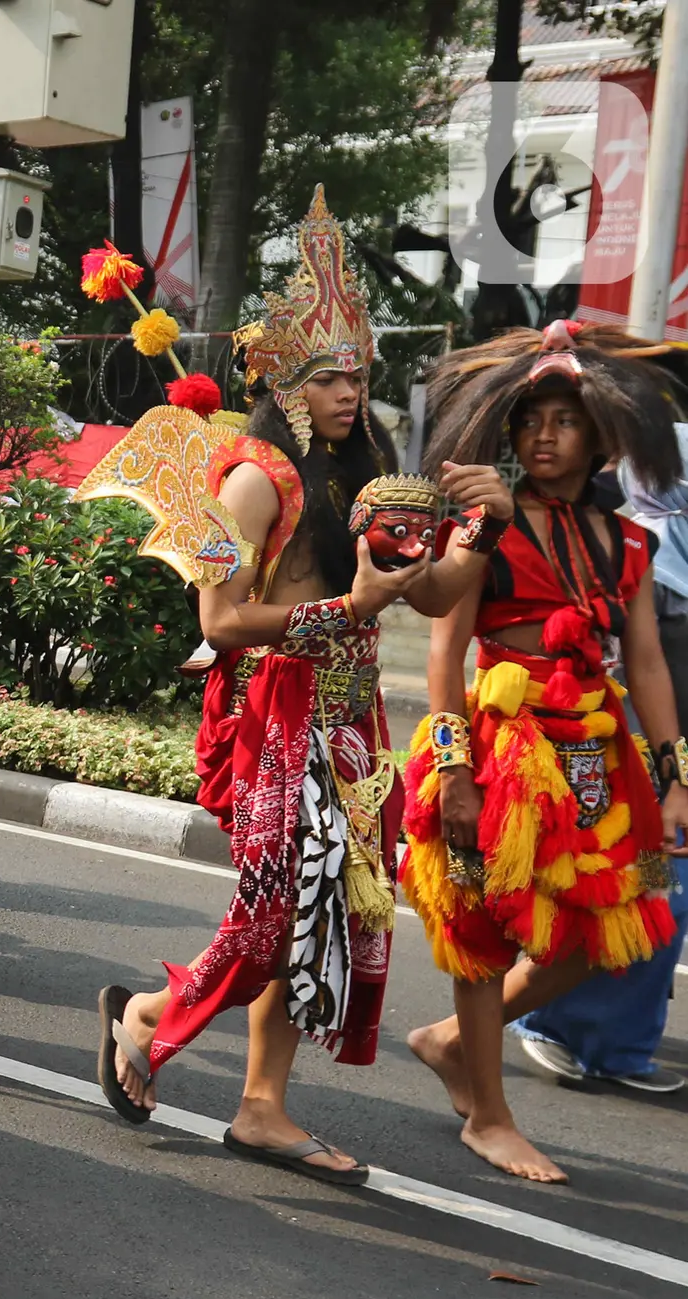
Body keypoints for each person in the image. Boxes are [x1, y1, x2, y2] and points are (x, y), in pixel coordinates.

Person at [93, 189, 511, 1186]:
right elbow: (218, 622)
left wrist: (485, 530)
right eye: (326, 376)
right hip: (273, 710)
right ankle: (148, 1016)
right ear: (281, 380)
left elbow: (431, 589)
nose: (344, 391)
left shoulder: (365, 475)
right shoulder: (245, 480)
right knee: (270, 912)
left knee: (330, 911)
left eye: (354, 374)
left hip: (354, 720)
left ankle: (261, 1106)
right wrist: (345, 609)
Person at [400, 321, 688, 1182]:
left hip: (598, 750)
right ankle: (488, 1116)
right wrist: (454, 770)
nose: (545, 436)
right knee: (484, 935)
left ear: (602, 438)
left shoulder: (629, 542)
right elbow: (444, 655)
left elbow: (645, 665)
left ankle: (454, 1044)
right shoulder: (483, 525)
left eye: (565, 421)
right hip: (499, 746)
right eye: (532, 421)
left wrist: (675, 779)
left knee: (601, 933)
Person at [508, 422, 688, 1095]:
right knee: (620, 893)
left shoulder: (636, 538)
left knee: (657, 901)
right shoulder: (629, 537)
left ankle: (619, 1045)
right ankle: (548, 1027)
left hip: (660, 755)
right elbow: (644, 664)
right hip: (599, 745)